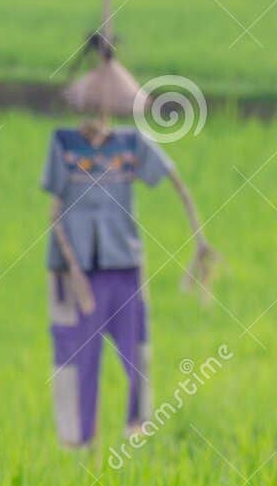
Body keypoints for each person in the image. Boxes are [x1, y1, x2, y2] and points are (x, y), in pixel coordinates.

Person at [43, 40, 214, 449]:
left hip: (123, 266)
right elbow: (54, 215)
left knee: (136, 351)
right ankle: (79, 441)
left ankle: (135, 425)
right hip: (75, 273)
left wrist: (199, 238)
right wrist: (76, 272)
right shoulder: (65, 145)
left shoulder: (130, 145)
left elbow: (176, 182)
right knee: (76, 358)